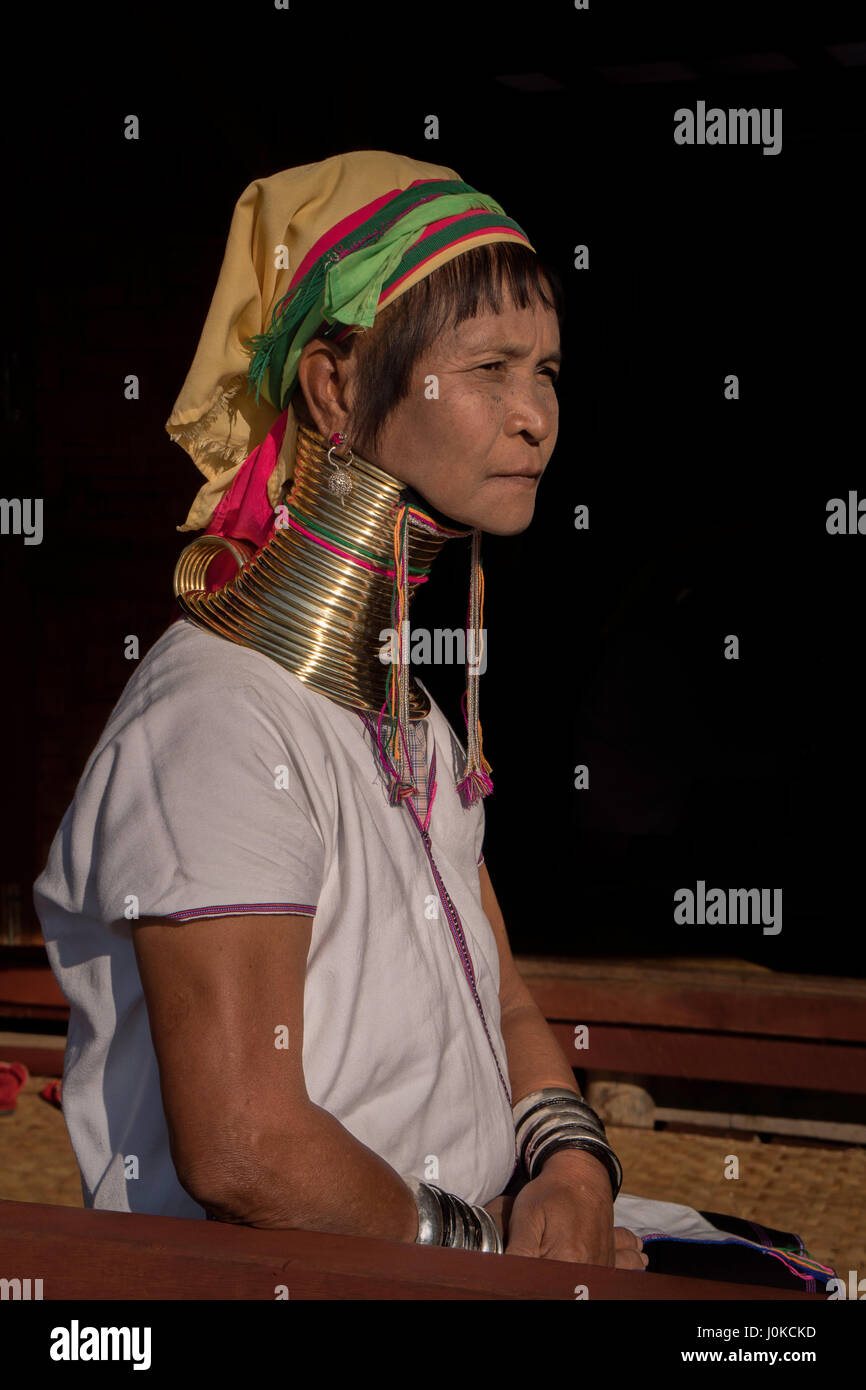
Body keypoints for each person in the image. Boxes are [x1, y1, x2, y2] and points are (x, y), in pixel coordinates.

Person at [34, 151, 830, 1289]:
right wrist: (481, 1252)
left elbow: (498, 994)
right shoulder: (218, 721)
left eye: (547, 370)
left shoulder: (407, 720)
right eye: (490, 367)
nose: (535, 418)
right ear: (330, 387)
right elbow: (246, 1150)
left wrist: (568, 1162)